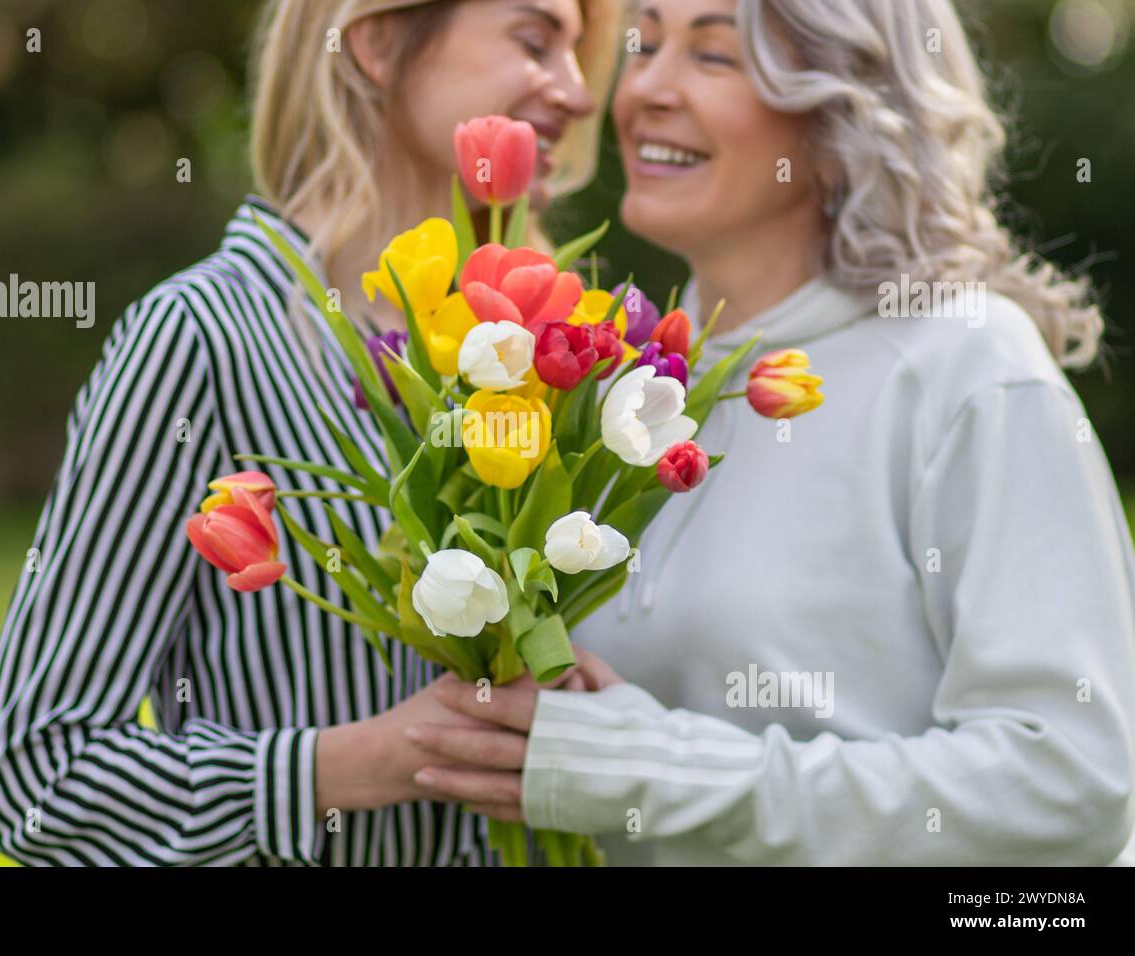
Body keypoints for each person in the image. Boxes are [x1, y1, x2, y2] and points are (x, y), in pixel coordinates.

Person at [408, 0, 1135, 866]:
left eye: (714, 57)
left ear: (842, 114)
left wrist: (648, 770)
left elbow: (1070, 782)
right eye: (646, 45)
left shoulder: (968, 366)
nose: (645, 90)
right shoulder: (606, 381)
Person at [0, 0, 621, 866]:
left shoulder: (520, 362)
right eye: (536, 41)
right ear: (381, 42)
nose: (579, 93)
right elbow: (31, 776)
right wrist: (354, 763)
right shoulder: (200, 339)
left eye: (580, 54)